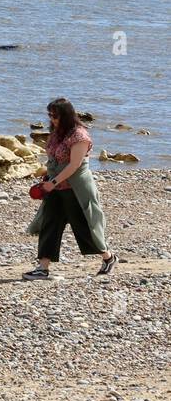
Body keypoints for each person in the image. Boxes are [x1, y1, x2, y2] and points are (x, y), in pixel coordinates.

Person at [24, 98, 118, 280]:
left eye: (55, 115)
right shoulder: (57, 132)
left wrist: (53, 182)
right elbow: (54, 160)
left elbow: (74, 165)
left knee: (84, 226)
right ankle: (43, 268)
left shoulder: (80, 135)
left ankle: (108, 257)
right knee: (49, 225)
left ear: (66, 115)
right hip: (55, 188)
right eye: (50, 115)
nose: (52, 119)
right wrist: (47, 180)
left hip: (75, 189)